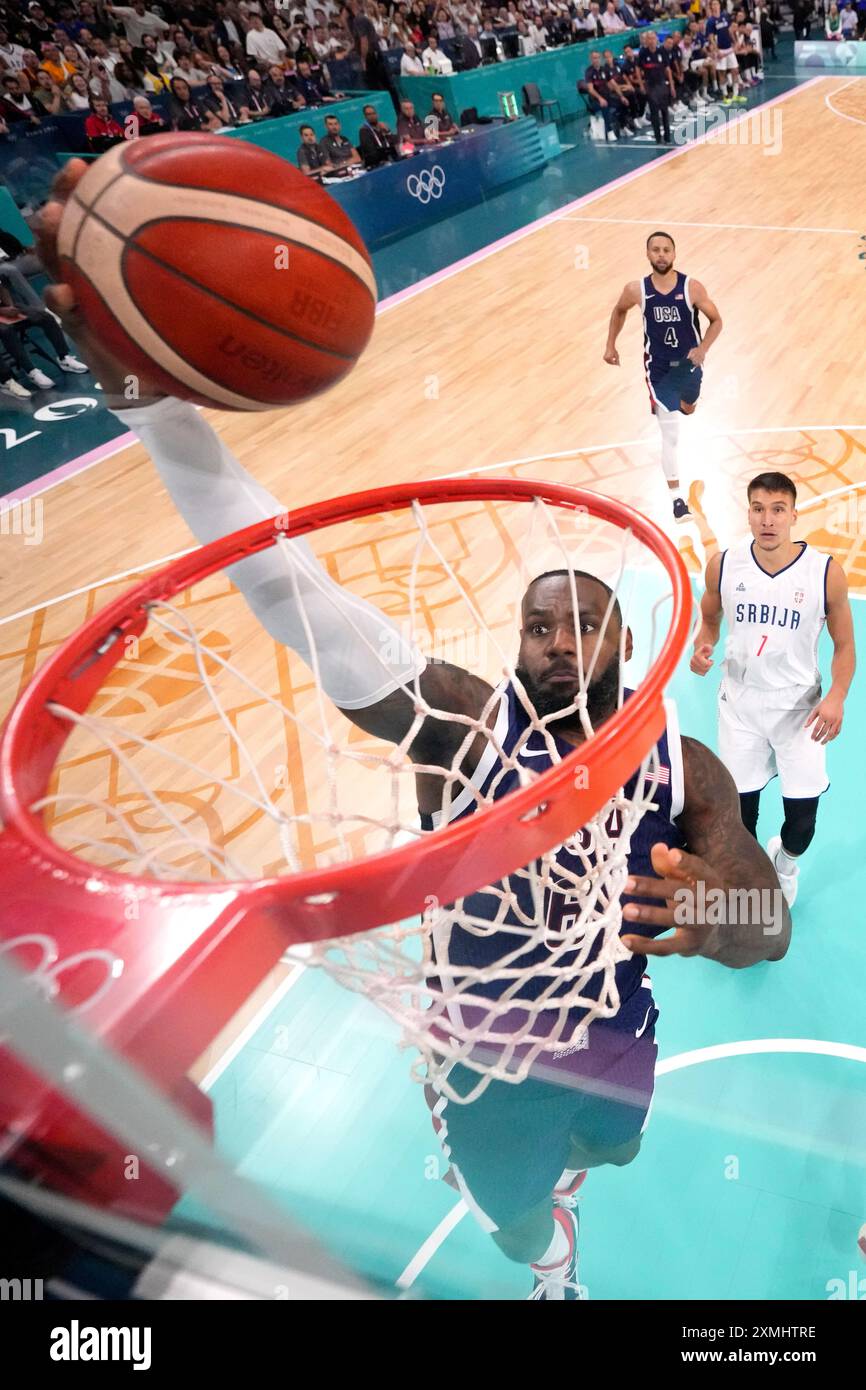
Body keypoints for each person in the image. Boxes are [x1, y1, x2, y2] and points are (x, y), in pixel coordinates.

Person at [33, 159, 793, 1300]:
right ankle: (547, 1257)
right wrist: (151, 406)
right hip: (481, 1061)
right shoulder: (461, 731)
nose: (552, 640)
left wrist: (720, 894)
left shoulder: (677, 767)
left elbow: (761, 934)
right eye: (535, 624)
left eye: (580, 627)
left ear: (622, 658)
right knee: (509, 1227)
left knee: (616, 1147)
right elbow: (283, 584)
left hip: (608, 1029)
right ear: (508, 645)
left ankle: (569, 1183)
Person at [691, 472, 855, 907]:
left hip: (799, 709)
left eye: (778, 510)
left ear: (793, 515)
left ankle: (784, 862)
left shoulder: (824, 574)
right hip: (740, 705)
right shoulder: (724, 565)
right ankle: (753, 878)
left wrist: (836, 695)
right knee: (741, 822)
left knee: (801, 827)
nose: (768, 520)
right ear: (748, 513)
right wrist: (702, 647)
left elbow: (844, 646)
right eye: (759, 509)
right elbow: (709, 619)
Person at [603, 231, 723, 522]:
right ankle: (676, 500)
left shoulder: (692, 287)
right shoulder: (636, 290)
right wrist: (610, 344)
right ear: (647, 254)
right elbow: (619, 311)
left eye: (666, 250)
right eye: (655, 250)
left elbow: (717, 320)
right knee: (670, 433)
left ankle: (686, 403)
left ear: (674, 254)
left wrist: (703, 348)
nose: (661, 255)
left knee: (689, 407)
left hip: (688, 365)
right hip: (658, 369)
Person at [637, 27, 675, 142]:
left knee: (664, 111)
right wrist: (641, 85)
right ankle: (658, 137)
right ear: (646, 41)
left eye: (653, 38)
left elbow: (668, 69)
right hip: (650, 85)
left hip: (662, 84)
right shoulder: (643, 53)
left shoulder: (662, 51)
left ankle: (667, 136)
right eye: (649, 39)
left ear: (656, 39)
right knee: (654, 113)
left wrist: (672, 86)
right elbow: (638, 70)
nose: (651, 41)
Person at [705, 0, 744, 105]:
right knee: (722, 72)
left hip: (729, 48)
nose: (715, 6)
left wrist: (735, 42)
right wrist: (716, 51)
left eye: (717, 4)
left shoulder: (725, 16)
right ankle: (725, 94)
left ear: (719, 5)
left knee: (735, 70)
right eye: (713, 4)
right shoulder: (710, 21)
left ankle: (736, 94)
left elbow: (730, 30)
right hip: (720, 50)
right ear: (711, 7)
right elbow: (711, 38)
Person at [357, 102, 399, 167]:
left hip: (391, 159)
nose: (372, 116)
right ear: (365, 116)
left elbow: (396, 142)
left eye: (374, 113)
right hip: (377, 164)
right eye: (369, 114)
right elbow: (371, 152)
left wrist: (388, 132)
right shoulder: (363, 131)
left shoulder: (382, 126)